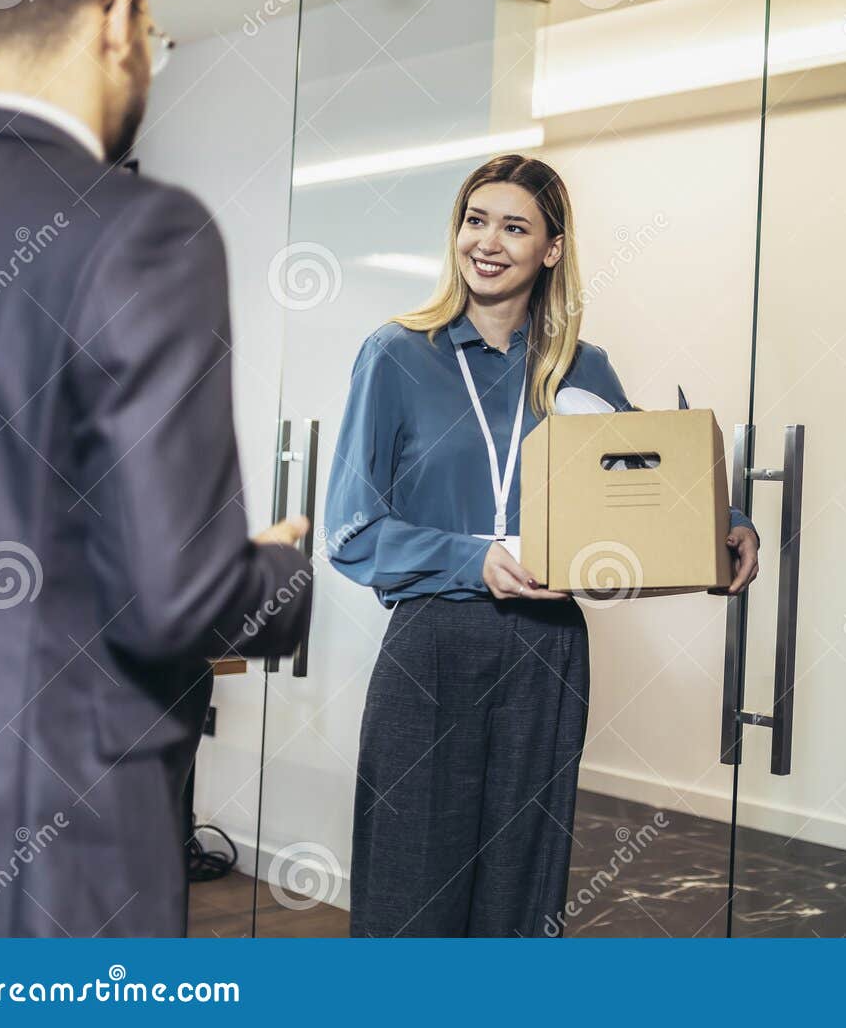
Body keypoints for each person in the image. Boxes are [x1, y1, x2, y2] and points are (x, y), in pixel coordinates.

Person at [0, 0, 312, 937]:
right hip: (49, 848)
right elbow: (171, 595)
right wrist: (280, 570)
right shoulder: (138, 231)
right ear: (116, 21)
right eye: (152, 31)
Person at [325, 154, 760, 937]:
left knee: (521, 895)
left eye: (514, 226)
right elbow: (353, 532)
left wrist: (723, 531)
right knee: (409, 885)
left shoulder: (582, 370)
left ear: (551, 250)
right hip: (433, 643)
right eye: (475, 220)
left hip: (548, 652)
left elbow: (641, 508)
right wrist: (474, 560)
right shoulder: (396, 354)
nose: (487, 242)